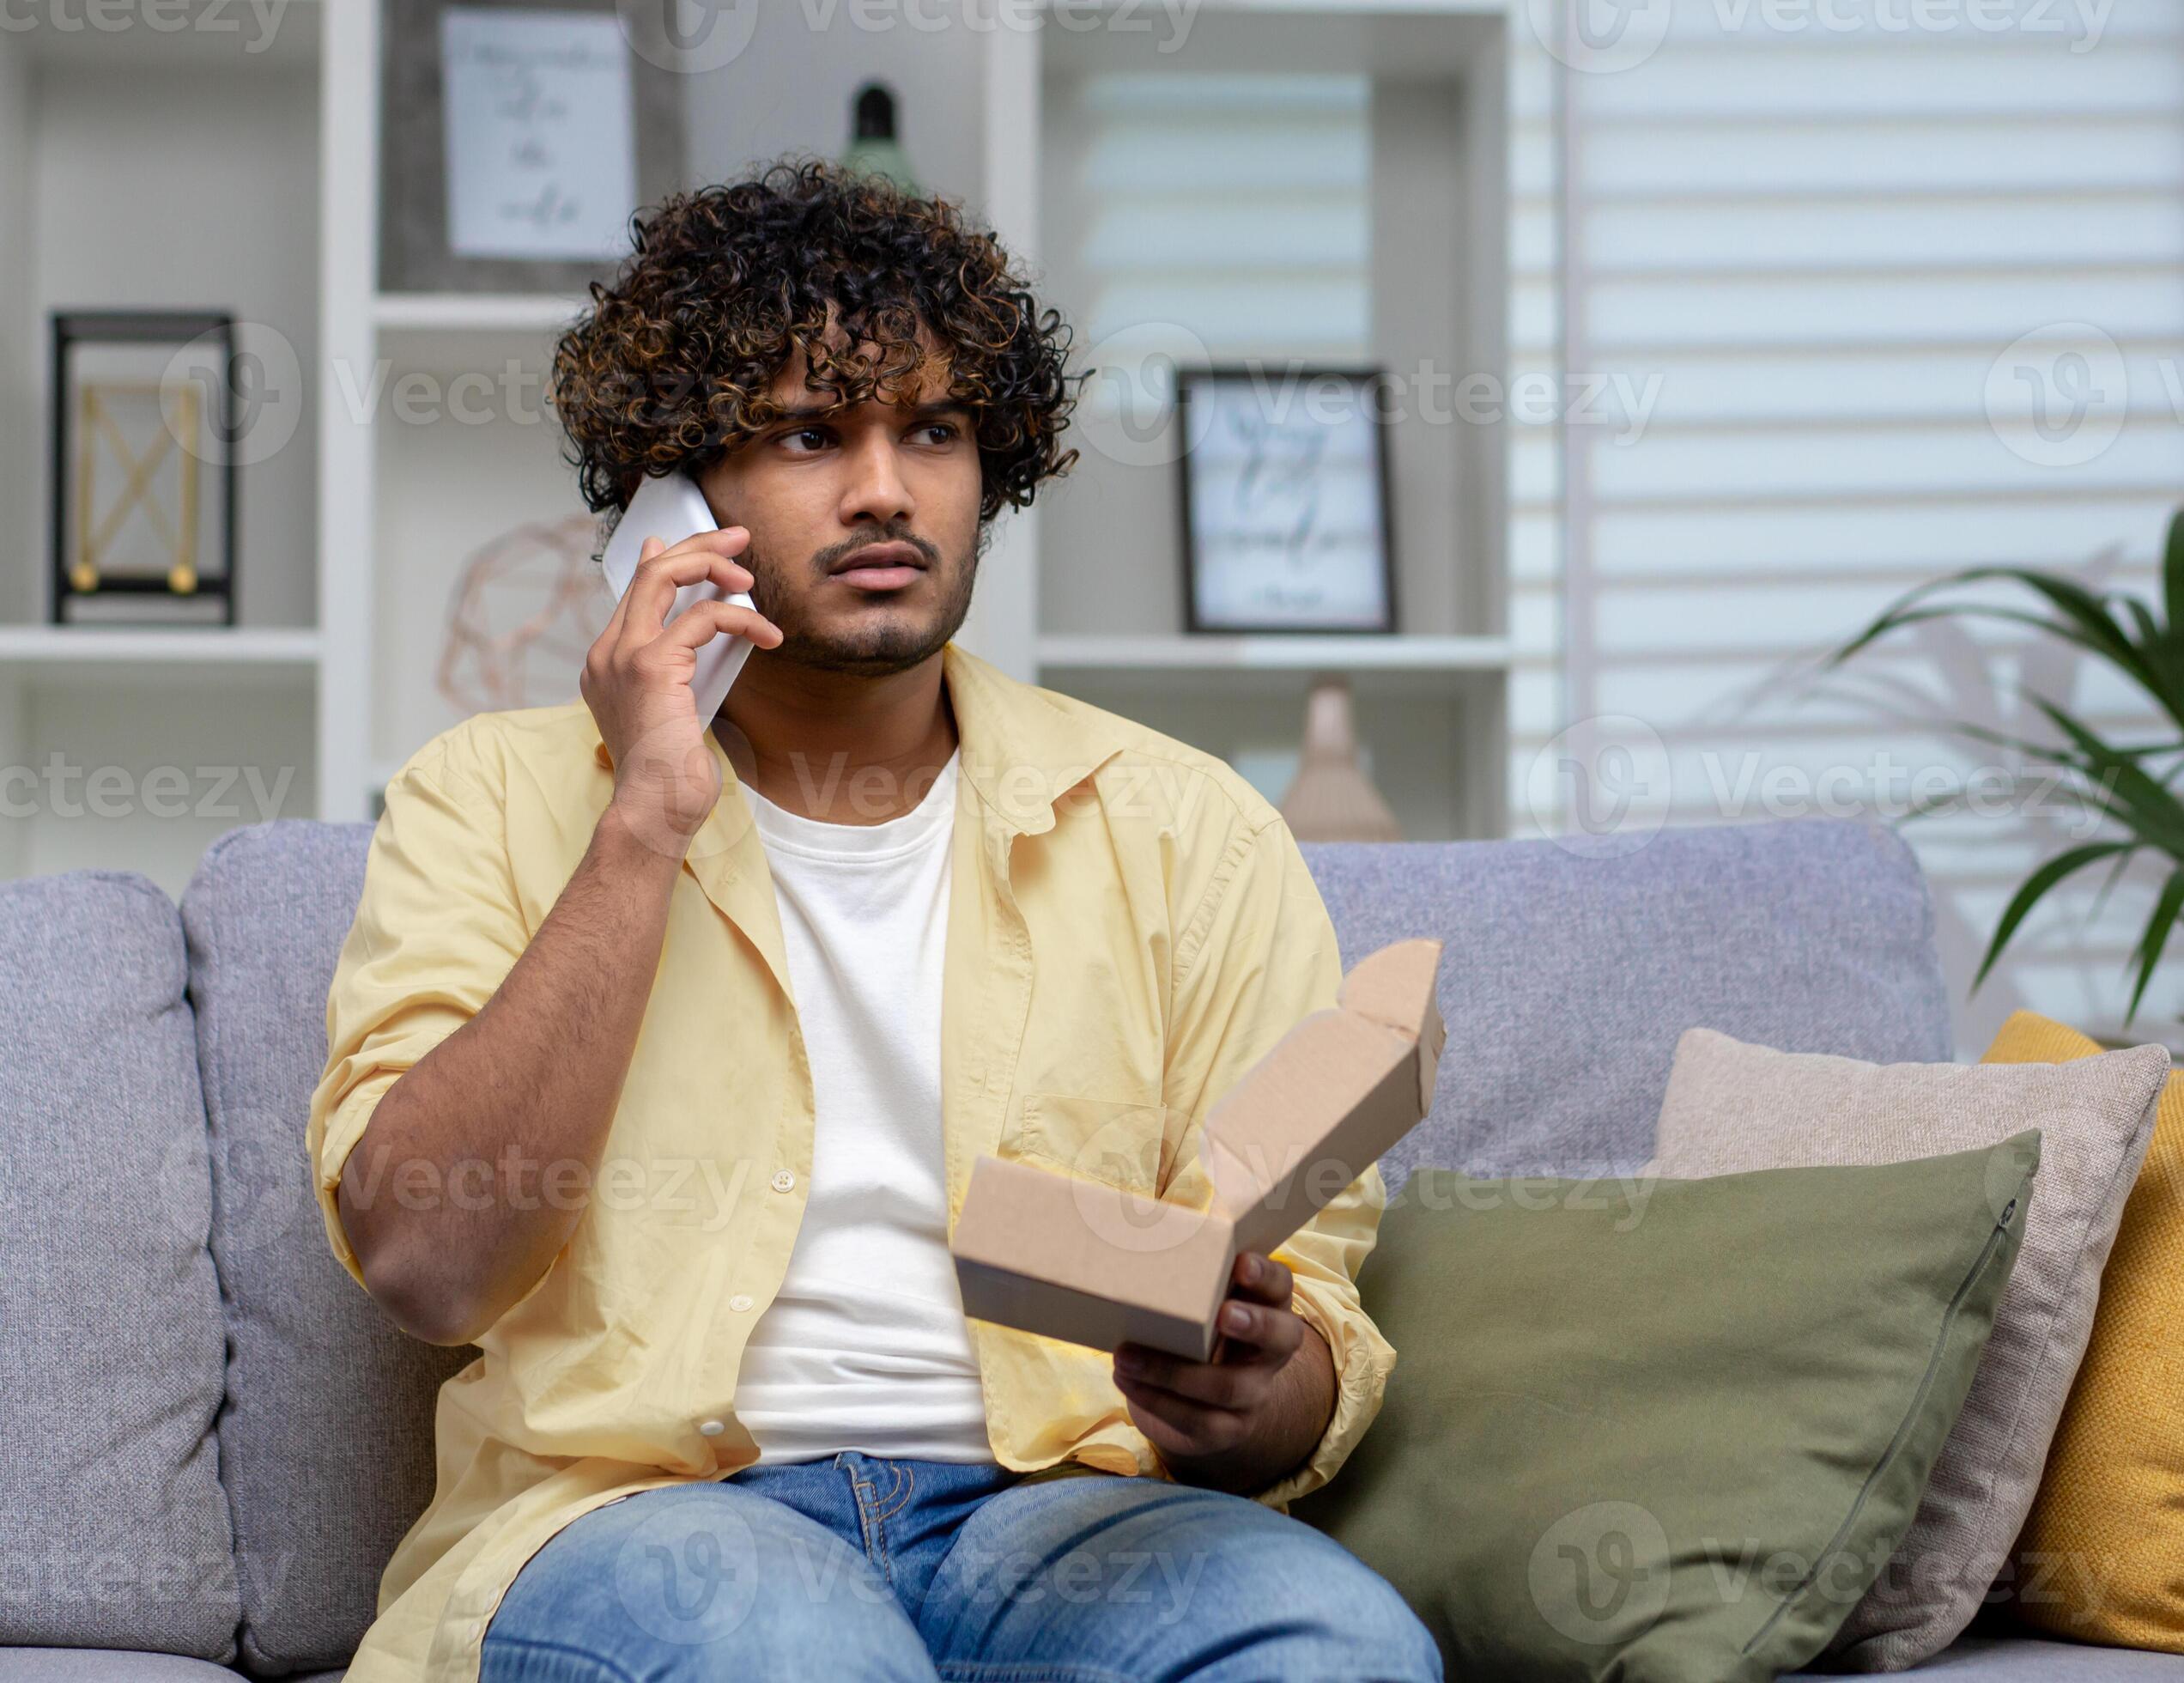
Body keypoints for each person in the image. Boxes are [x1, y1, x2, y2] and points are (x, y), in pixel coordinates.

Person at [307, 159, 1438, 1683]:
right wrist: (643, 814)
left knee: (1337, 1646)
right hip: (651, 1514)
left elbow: (1307, 1332)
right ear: (679, 492)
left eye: (936, 429)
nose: (887, 488)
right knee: (797, 1653)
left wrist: (1262, 1391)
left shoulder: (1189, 831)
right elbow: (425, 1259)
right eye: (806, 433)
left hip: (1065, 1515)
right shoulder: (490, 802)